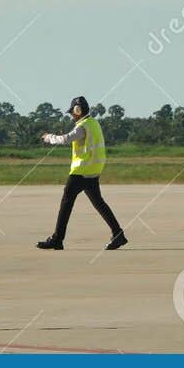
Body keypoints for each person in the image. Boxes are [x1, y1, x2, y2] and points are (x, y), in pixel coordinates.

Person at [36, 96, 127, 251]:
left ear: (78, 111)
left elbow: (65, 139)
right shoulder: (94, 123)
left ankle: (57, 239)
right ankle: (118, 235)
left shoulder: (82, 127)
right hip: (93, 171)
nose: (72, 115)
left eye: (73, 112)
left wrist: (48, 137)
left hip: (80, 172)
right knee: (99, 203)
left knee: (66, 203)